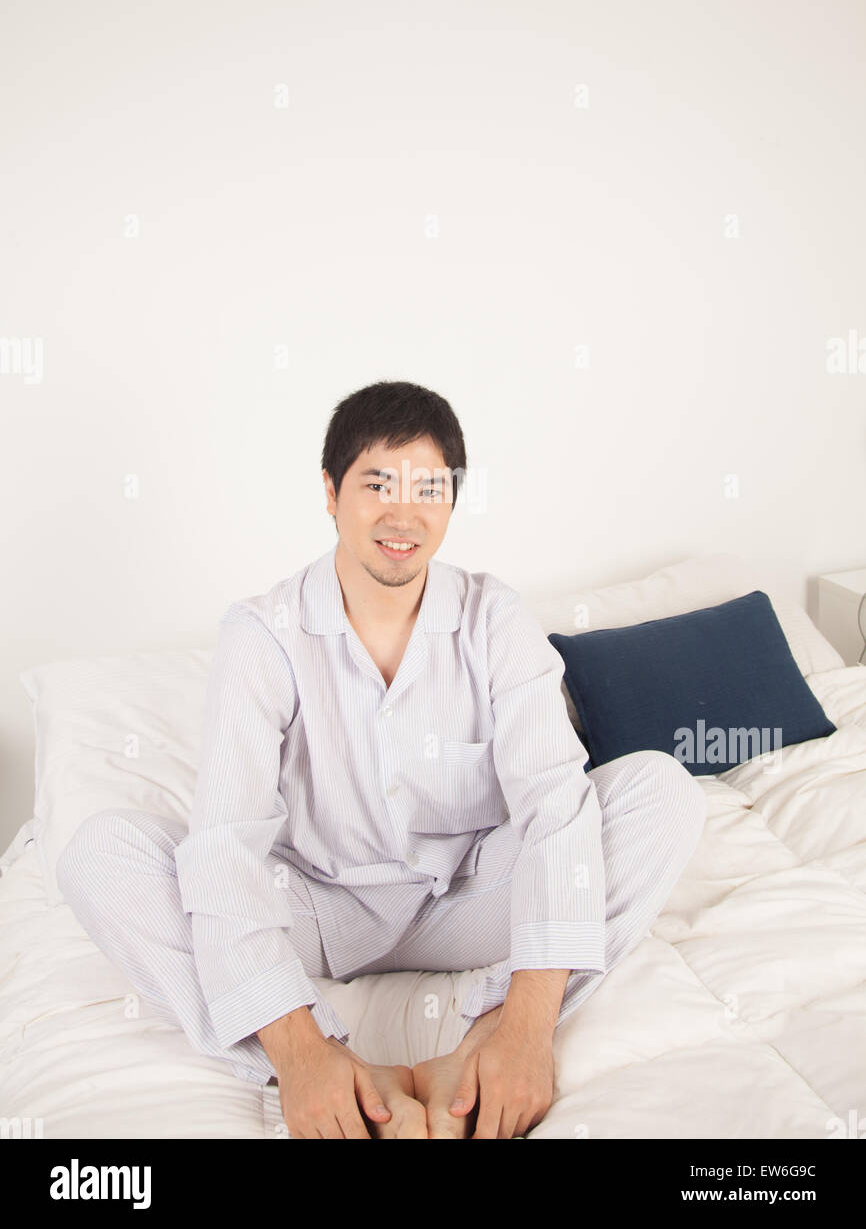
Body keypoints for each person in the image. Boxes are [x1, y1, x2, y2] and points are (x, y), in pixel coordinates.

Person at [56, 379, 707, 1139]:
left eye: (429, 488)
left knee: (662, 791)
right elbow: (226, 843)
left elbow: (554, 805)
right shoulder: (263, 633)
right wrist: (302, 1056)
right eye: (377, 485)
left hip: (468, 898)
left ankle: (479, 1041)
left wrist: (524, 1033)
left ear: (452, 501)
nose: (404, 515)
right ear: (331, 493)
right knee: (100, 853)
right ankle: (334, 1066)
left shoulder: (495, 617)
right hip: (313, 905)